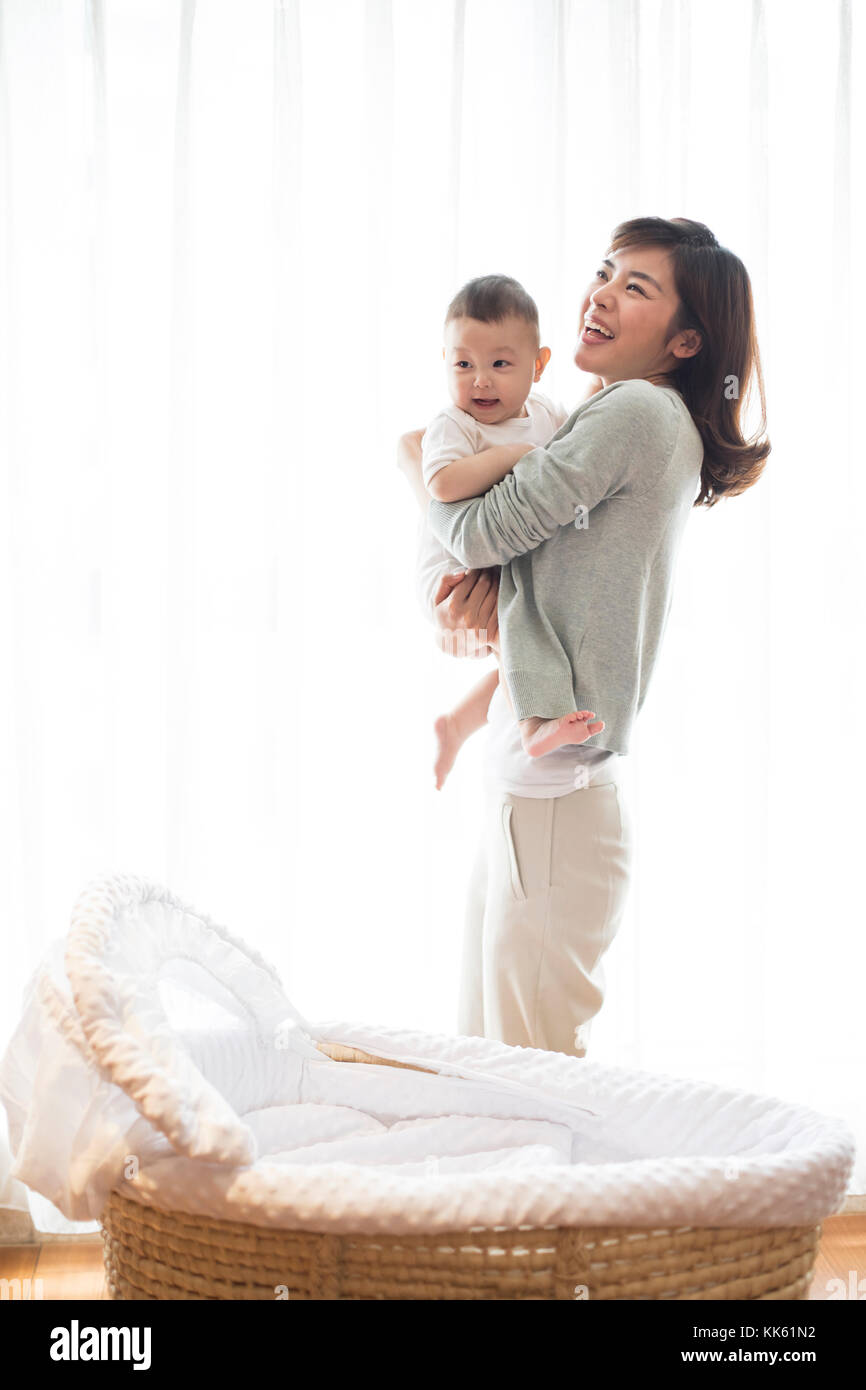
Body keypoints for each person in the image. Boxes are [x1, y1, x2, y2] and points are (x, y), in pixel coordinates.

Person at [397, 216, 770, 1059]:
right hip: (537, 787)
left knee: (528, 1080)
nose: (599, 294)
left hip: (555, 799)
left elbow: (479, 531)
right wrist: (471, 611)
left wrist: (414, 465)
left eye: (635, 287)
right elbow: (537, 590)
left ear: (684, 341)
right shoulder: (614, 411)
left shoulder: (636, 409)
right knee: (491, 1063)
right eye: (605, 272)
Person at [422, 274, 607, 791]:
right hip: (452, 567)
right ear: (445, 361)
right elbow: (441, 483)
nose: (480, 381)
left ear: (538, 365)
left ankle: (457, 724)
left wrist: (603, 386)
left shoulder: (545, 412)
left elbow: (576, 441)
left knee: (535, 642)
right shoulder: (455, 425)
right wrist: (513, 455)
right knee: (519, 633)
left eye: (500, 365)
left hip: (502, 560)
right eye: (463, 365)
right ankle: (534, 725)